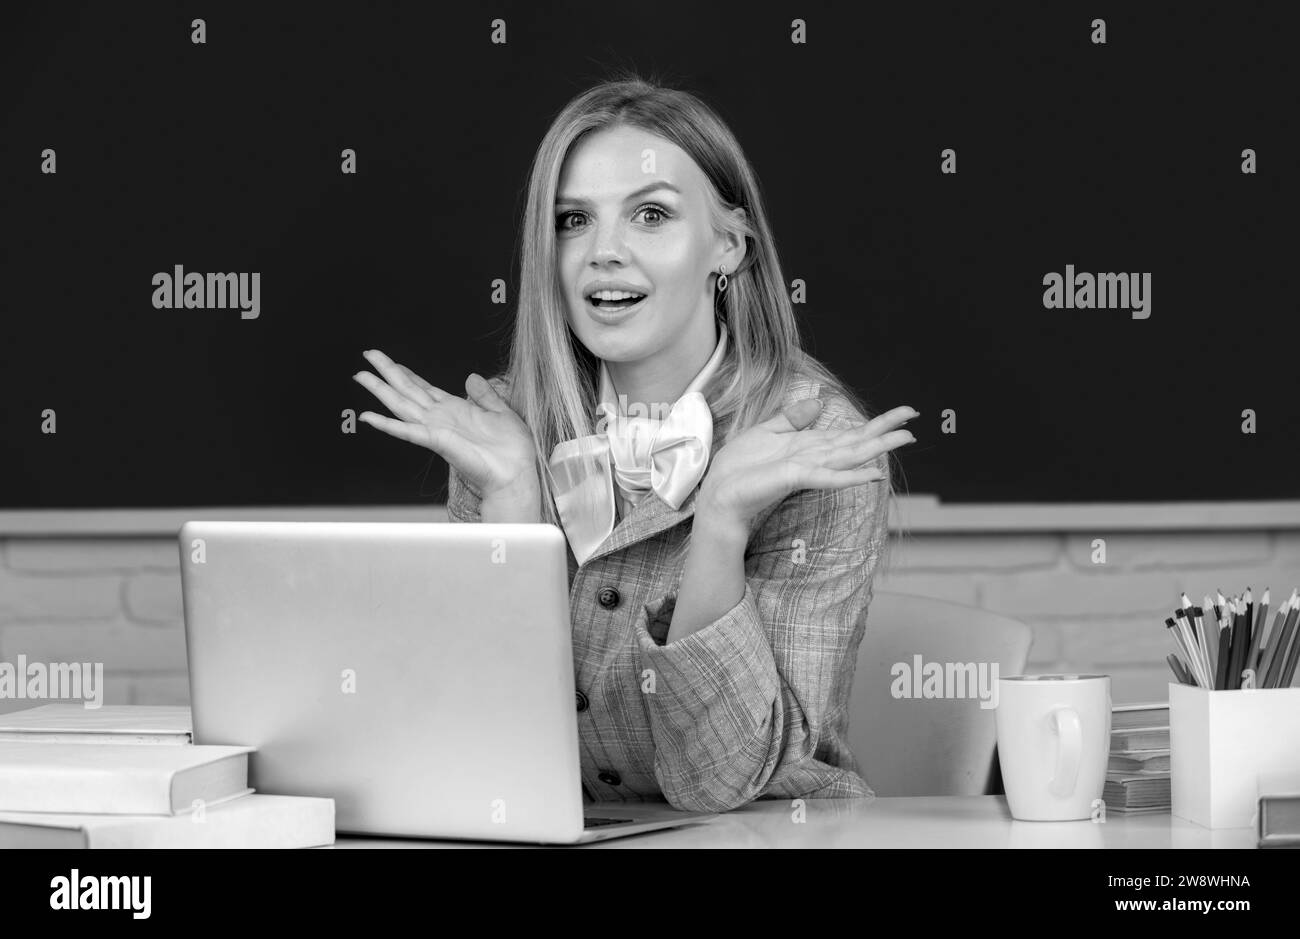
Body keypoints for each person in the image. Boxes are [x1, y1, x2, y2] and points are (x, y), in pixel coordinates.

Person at [353, 75, 917, 813]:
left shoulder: (819, 448)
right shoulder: (508, 432)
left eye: (650, 215)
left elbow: (720, 781)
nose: (604, 253)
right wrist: (514, 502)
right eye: (573, 221)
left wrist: (720, 523)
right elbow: (487, 745)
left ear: (729, 247)